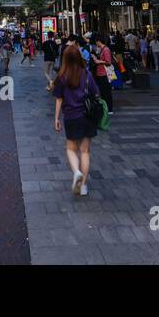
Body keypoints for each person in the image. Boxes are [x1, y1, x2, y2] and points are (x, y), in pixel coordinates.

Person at [52, 45, 100, 196]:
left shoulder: (62, 76)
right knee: (85, 151)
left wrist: (56, 118)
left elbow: (59, 99)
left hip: (71, 117)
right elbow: (96, 94)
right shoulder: (87, 74)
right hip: (87, 116)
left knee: (71, 149)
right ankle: (84, 186)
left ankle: (76, 172)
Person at [91, 33, 116, 115]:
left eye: (96, 42)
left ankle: (109, 109)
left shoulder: (106, 50)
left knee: (106, 92)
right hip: (100, 73)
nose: (96, 44)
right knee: (103, 92)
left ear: (99, 41)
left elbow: (108, 62)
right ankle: (106, 108)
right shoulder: (102, 49)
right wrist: (96, 58)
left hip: (104, 74)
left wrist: (99, 61)